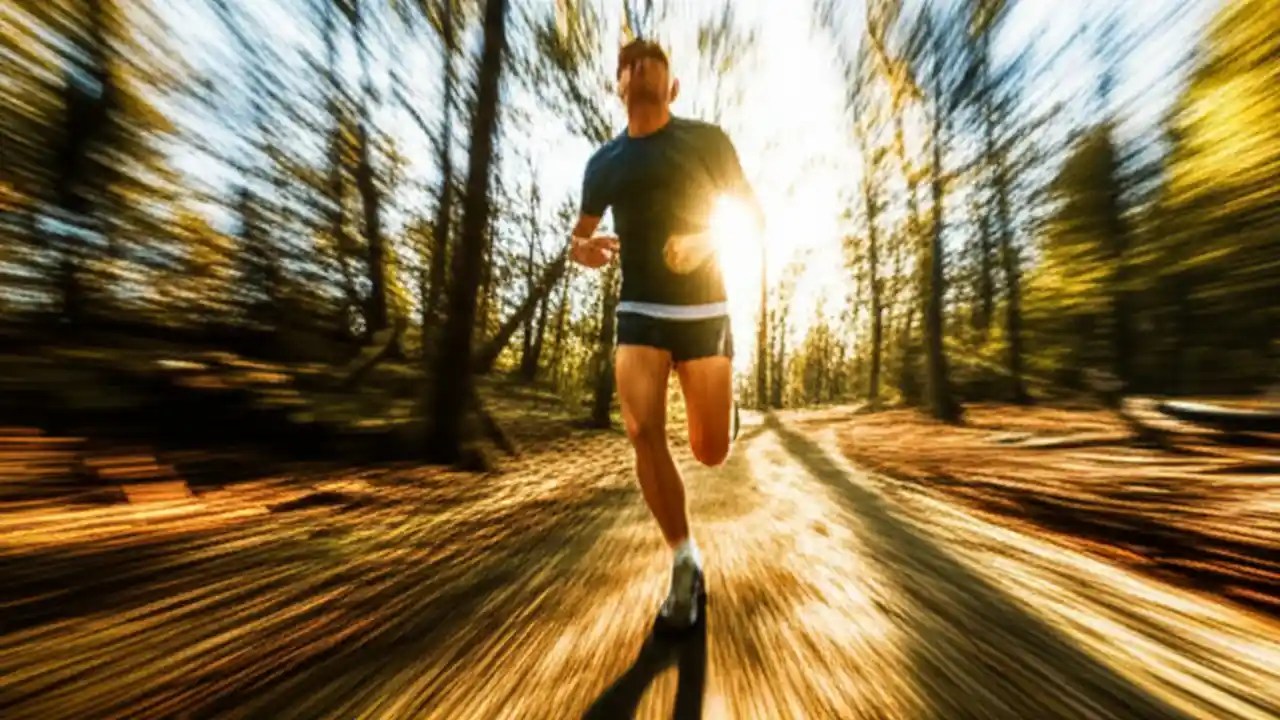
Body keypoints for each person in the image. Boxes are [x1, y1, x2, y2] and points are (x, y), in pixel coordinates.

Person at [568, 38, 763, 633]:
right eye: (629, 64)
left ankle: (722, 412)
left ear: (673, 86)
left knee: (710, 451)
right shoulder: (603, 163)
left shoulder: (707, 140)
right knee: (641, 429)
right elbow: (579, 239)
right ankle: (684, 561)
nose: (641, 67)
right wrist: (584, 251)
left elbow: (751, 214)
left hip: (705, 308)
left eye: (654, 62)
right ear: (618, 86)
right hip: (639, 309)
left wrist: (705, 241)